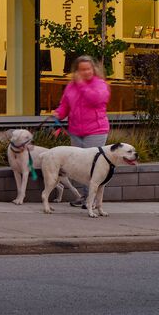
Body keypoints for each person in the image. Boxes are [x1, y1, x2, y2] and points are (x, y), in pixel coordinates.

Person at [51, 54, 111, 209]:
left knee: (92, 164)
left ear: (93, 69)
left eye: (88, 69)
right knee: (79, 165)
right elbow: (65, 104)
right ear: (76, 71)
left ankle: (89, 199)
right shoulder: (71, 86)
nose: (86, 72)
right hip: (76, 130)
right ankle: (85, 197)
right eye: (82, 69)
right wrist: (58, 113)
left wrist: (82, 85)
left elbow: (96, 99)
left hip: (96, 130)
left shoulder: (100, 84)